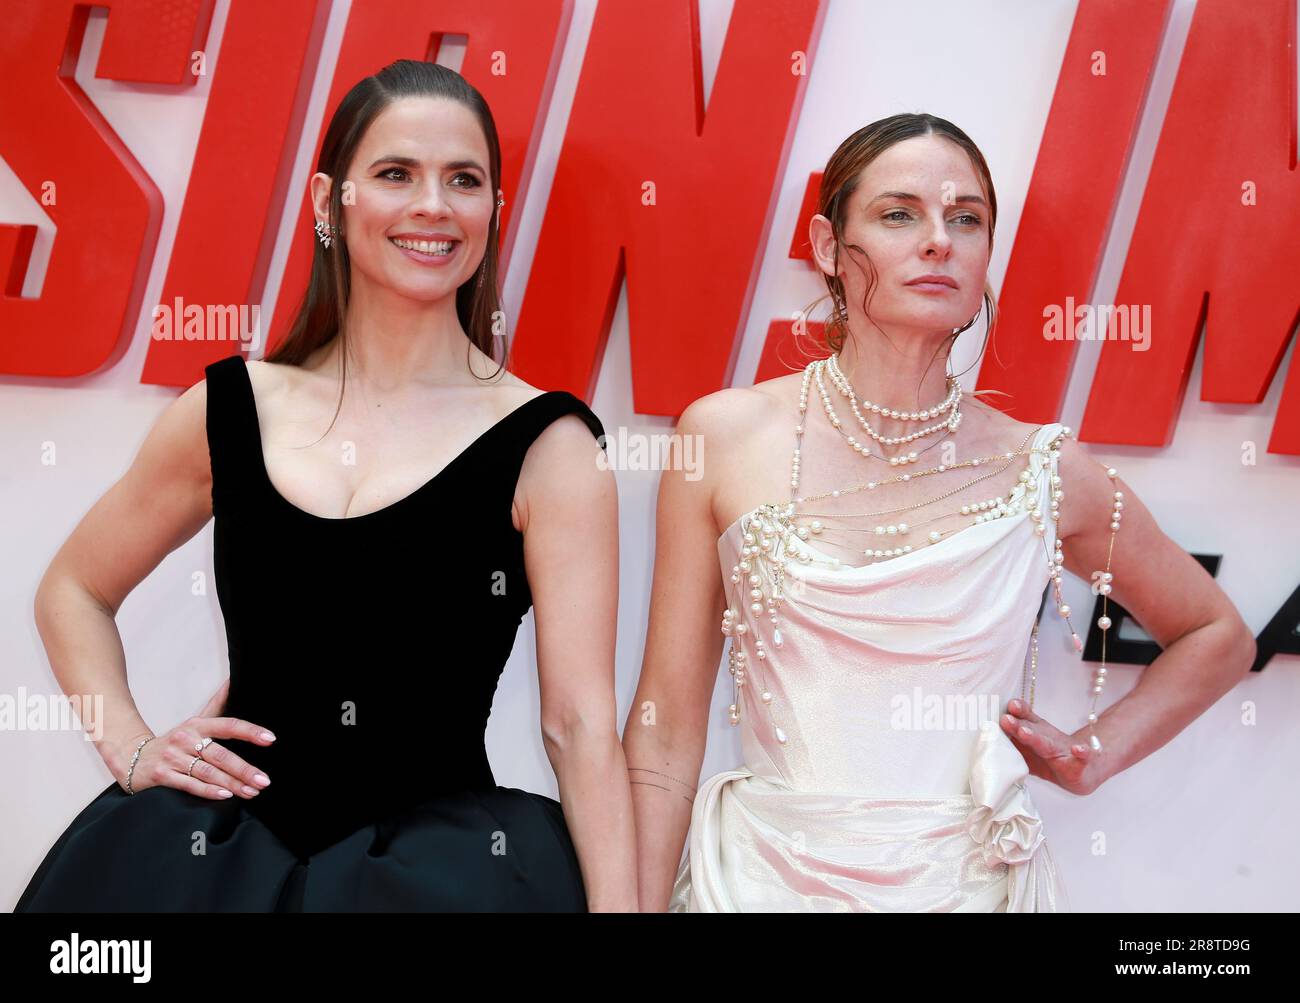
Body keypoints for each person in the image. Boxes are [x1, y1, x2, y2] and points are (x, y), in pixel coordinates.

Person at [16, 60, 637, 912]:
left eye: (465, 179)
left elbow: (579, 728)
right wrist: (130, 748)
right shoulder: (227, 410)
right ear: (326, 203)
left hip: (440, 883)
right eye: (395, 174)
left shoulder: (549, 445)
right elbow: (73, 587)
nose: (433, 205)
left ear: (493, 210)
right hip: (205, 867)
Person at [623, 113, 1256, 912]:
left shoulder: (1043, 468)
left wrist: (1092, 753)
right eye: (899, 215)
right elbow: (665, 727)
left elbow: (1217, 635)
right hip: (758, 885)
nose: (938, 241)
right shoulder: (723, 436)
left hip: (971, 892)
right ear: (825, 246)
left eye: (966, 219)